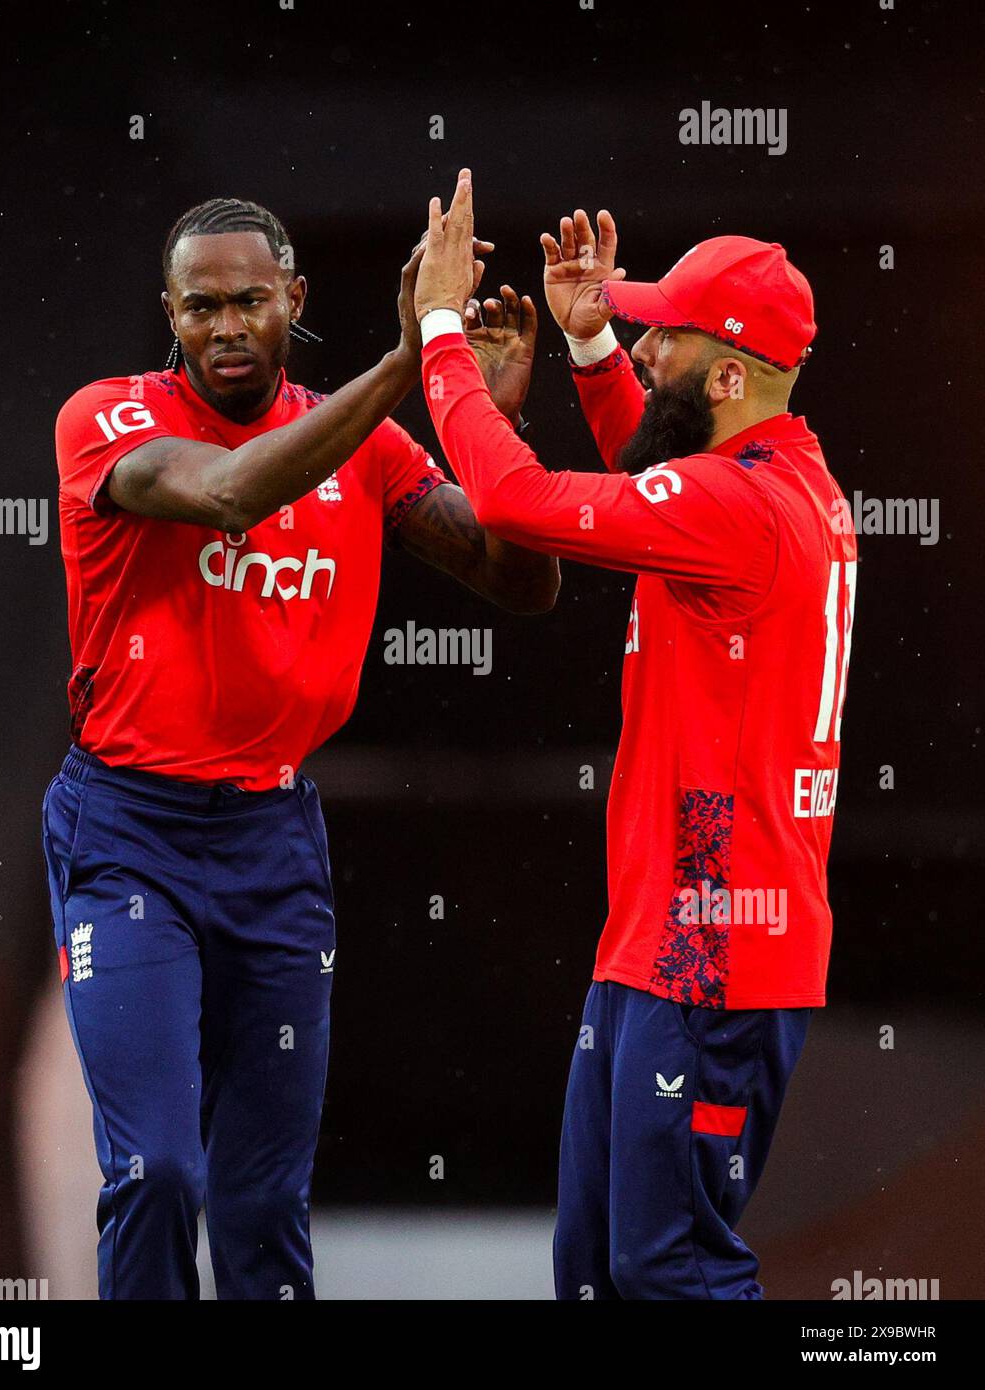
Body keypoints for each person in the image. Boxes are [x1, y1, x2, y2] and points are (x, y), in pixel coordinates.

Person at [43, 196, 558, 1300]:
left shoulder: (364, 445)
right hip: (130, 828)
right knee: (159, 1167)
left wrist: (493, 435)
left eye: (249, 302)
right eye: (201, 307)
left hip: (273, 839)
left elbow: (525, 583)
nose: (225, 327)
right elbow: (229, 492)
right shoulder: (108, 418)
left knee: (264, 1198)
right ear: (169, 316)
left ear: (295, 301)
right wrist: (416, 356)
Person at [413, 170, 856, 1299]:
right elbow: (661, 483)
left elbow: (514, 503)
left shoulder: (738, 507)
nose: (643, 348)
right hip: (670, 941)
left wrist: (440, 332)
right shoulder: (775, 476)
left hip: (711, 953)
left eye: (659, 335)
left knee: (669, 1275)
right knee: (598, 1273)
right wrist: (597, 348)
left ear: (723, 373)